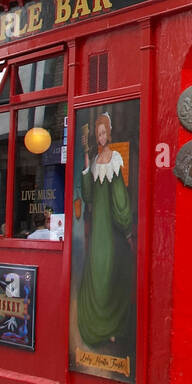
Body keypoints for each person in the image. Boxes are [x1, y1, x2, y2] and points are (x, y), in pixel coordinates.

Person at [76, 113, 134, 348]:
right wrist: (86, 160)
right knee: (99, 274)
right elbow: (88, 196)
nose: (101, 137)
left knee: (107, 274)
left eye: (103, 133)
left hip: (109, 230)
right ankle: (102, 329)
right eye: (98, 134)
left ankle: (112, 328)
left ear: (108, 134)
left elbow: (120, 198)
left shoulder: (115, 158)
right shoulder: (98, 158)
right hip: (100, 229)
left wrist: (126, 228)